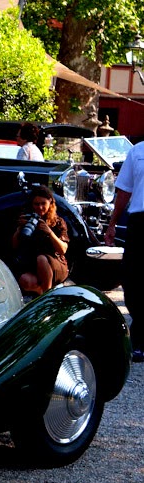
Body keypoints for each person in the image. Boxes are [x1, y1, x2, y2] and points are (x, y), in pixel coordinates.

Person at [105, 139, 144, 361]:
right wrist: (112, 223)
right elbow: (124, 192)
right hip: (140, 221)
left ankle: (140, 340)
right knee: (133, 279)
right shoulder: (137, 152)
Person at [11, 184, 69, 297]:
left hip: (56, 264)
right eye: (36, 204)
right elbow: (14, 246)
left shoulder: (58, 222)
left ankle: (46, 294)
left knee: (41, 258)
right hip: (33, 265)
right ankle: (43, 293)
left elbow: (63, 249)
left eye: (43, 204)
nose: (40, 207)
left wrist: (49, 232)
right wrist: (19, 230)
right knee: (25, 280)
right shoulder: (28, 219)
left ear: (50, 203)